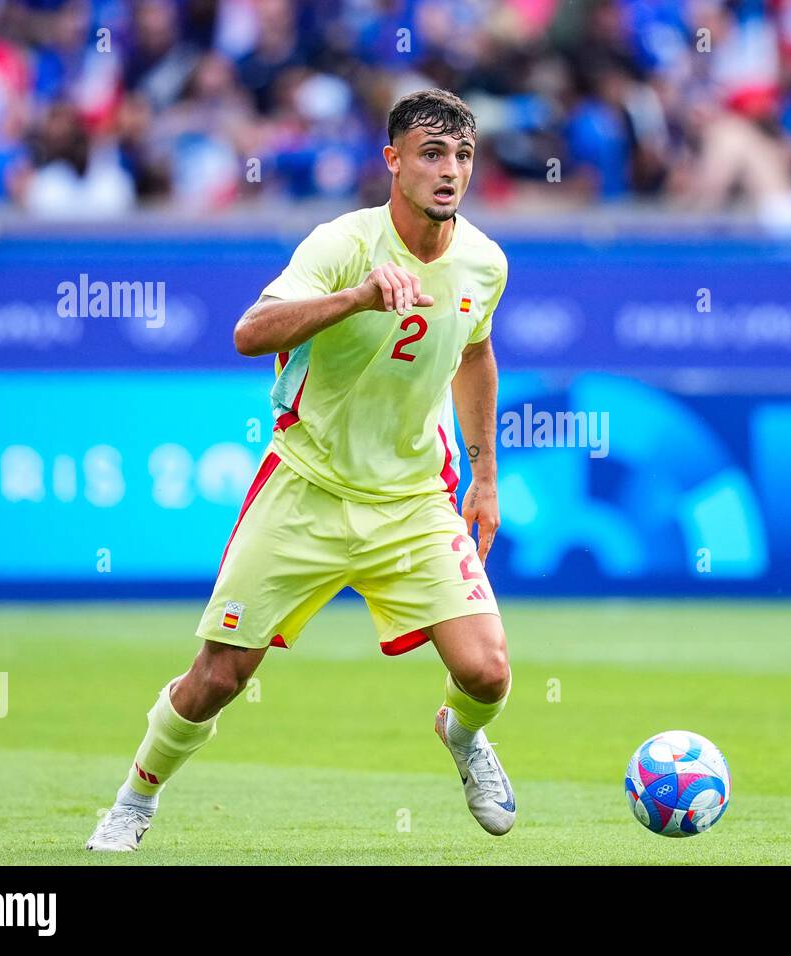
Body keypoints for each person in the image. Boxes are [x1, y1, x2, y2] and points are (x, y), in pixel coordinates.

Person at [86, 88, 515, 850]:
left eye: (462, 156)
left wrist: (483, 477)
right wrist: (355, 298)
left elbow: (475, 354)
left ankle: (461, 734)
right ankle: (134, 801)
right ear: (393, 162)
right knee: (219, 677)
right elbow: (250, 332)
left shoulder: (484, 262)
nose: (450, 172)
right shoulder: (343, 244)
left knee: (488, 672)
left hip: (413, 500)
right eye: (431, 154)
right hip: (306, 488)